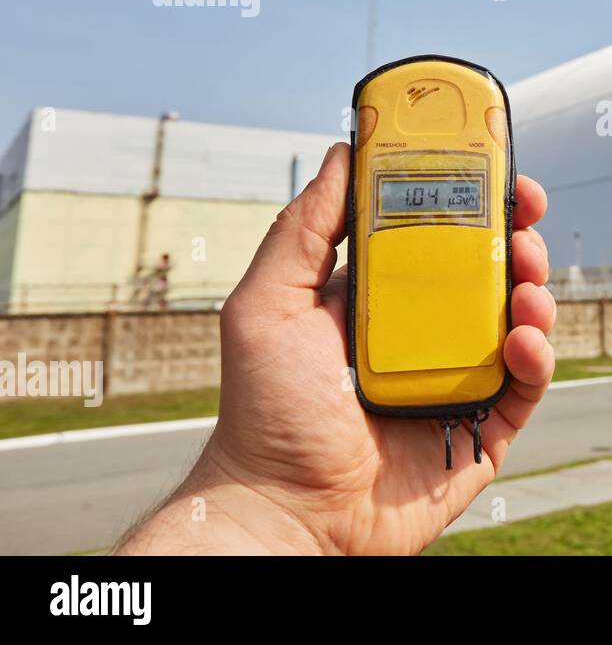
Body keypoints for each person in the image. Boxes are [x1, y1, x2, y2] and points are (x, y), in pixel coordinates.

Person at [115, 142, 555, 555]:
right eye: (410, 197)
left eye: (456, 196)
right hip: (442, 396)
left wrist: (264, 503)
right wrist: (272, 495)